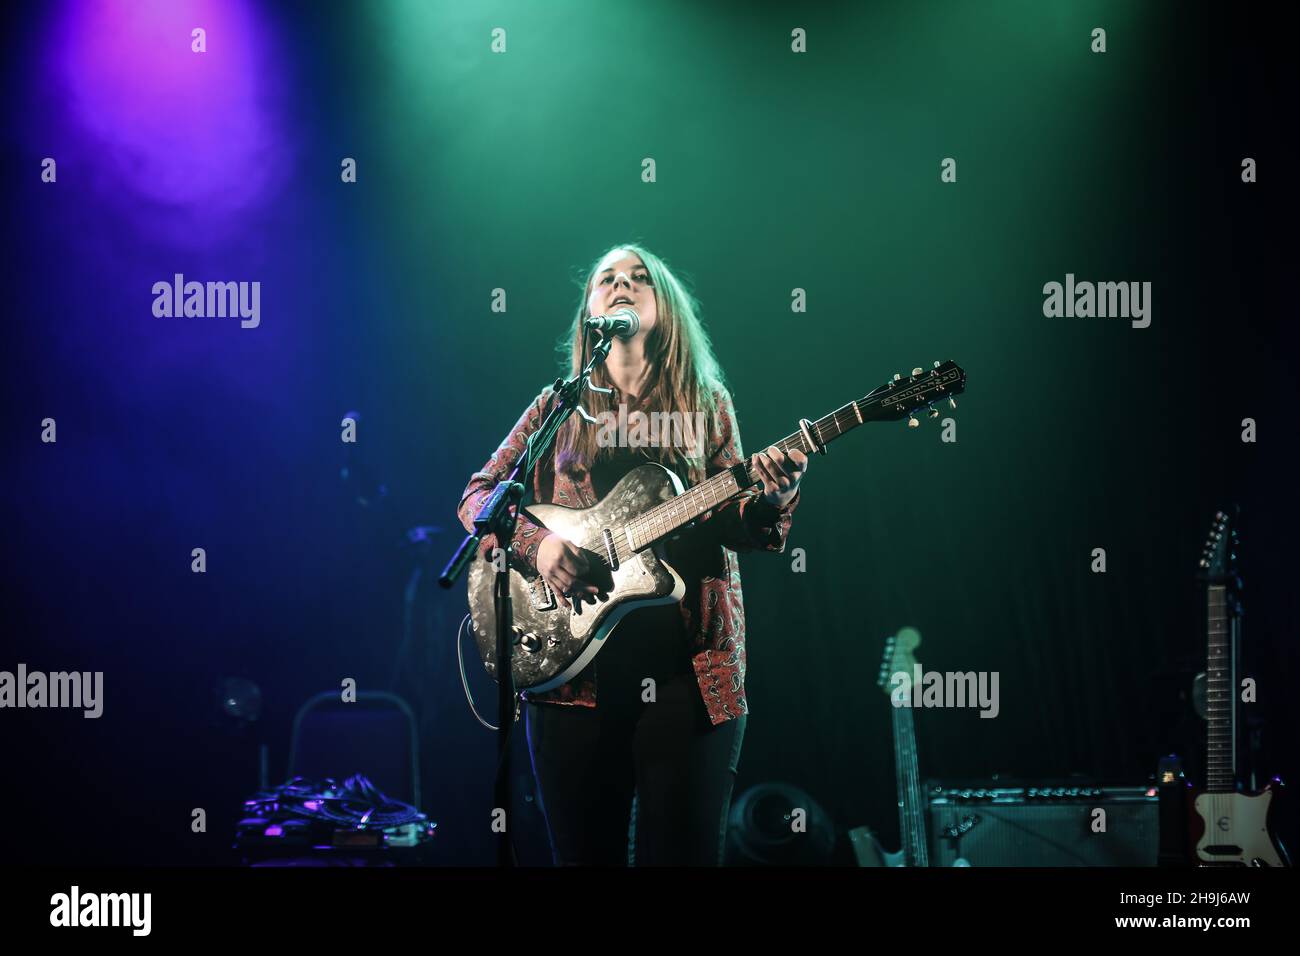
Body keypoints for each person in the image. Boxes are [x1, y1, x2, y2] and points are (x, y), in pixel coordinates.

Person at [456, 243, 808, 865]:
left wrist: (775, 497)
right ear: (590, 312)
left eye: (640, 279)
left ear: (664, 306)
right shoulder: (557, 407)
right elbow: (480, 497)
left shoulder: (706, 402)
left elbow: (738, 524)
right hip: (570, 675)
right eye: (607, 280)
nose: (623, 286)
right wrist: (539, 547)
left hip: (689, 674)